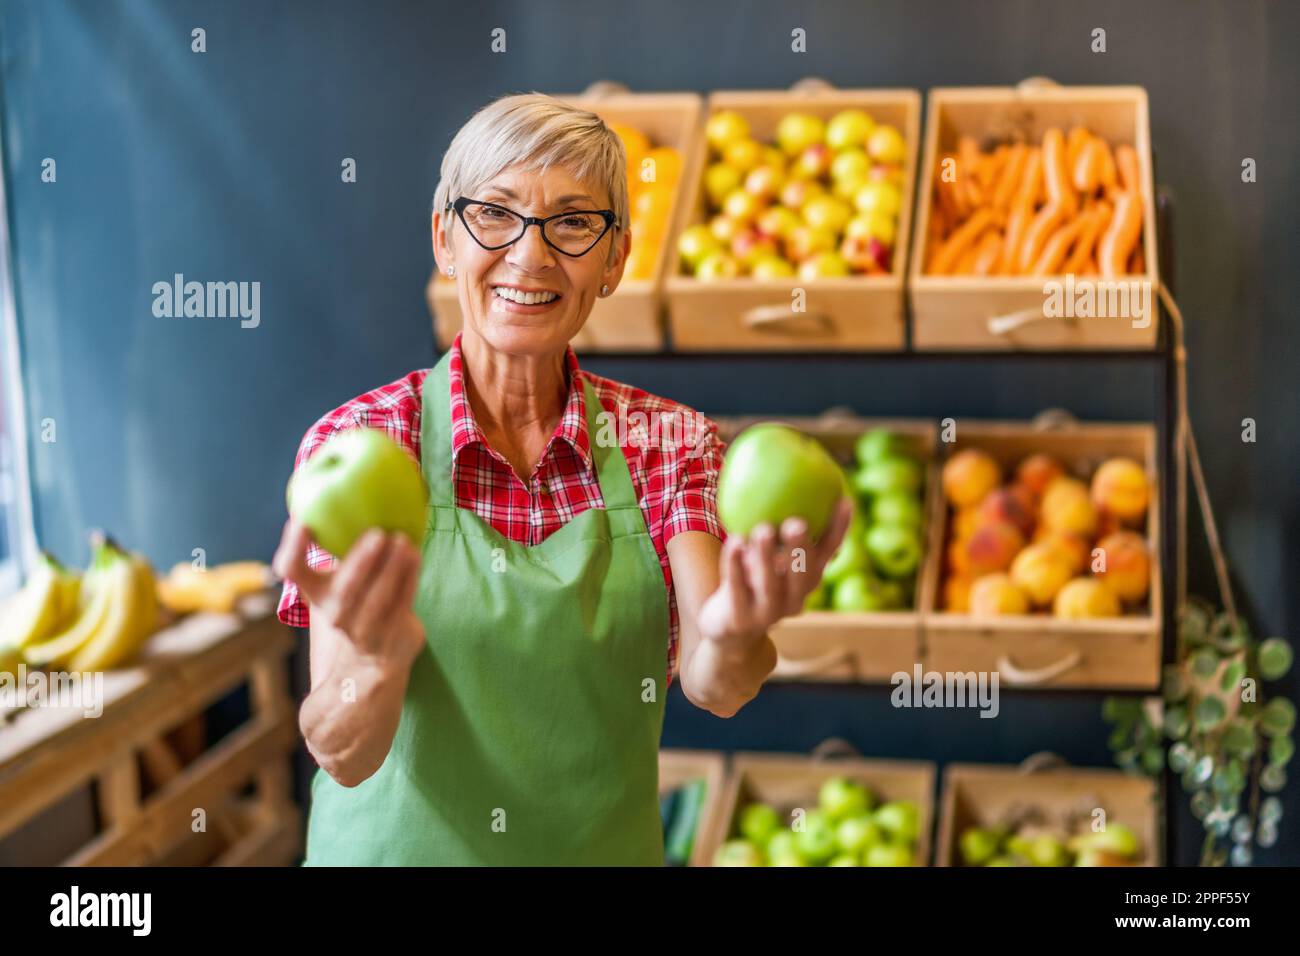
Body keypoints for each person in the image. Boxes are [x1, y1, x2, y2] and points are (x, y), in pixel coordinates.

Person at [273, 92, 849, 865]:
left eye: (573, 223)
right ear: (445, 240)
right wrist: (376, 664)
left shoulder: (667, 440)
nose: (530, 255)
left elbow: (718, 684)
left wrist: (738, 631)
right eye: (495, 214)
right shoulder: (365, 442)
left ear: (614, 260)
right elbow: (343, 752)